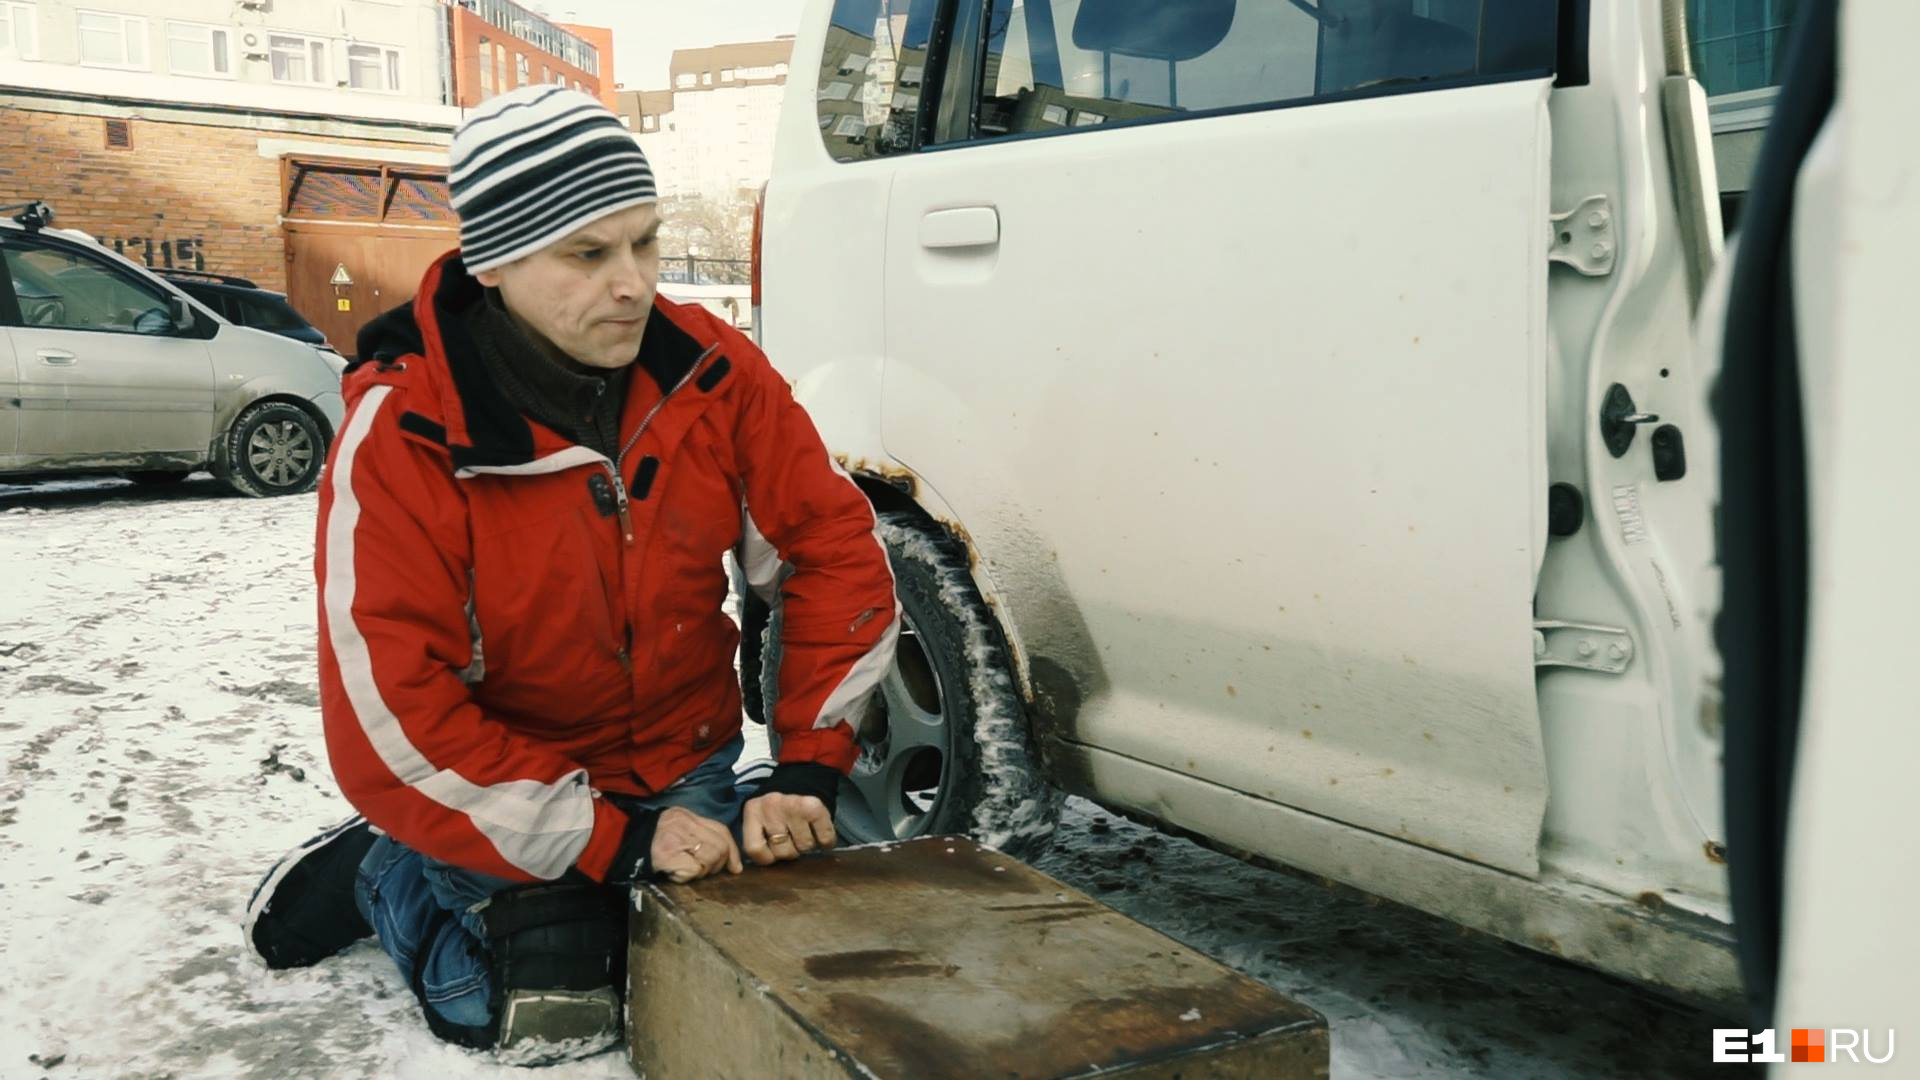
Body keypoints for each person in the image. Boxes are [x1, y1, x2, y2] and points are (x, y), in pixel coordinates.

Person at [239, 85, 900, 1056]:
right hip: (518, 779)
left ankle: (485, 858)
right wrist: (611, 842)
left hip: (683, 761)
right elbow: (389, 717)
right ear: (496, 260)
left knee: (719, 964)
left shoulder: (712, 375)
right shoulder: (407, 433)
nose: (632, 283)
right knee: (549, 1003)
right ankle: (395, 871)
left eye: (645, 242)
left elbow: (833, 550)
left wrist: (806, 769)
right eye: (588, 255)